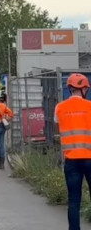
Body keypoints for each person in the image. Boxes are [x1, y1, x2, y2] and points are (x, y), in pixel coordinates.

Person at [54, 73, 91, 230]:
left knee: (74, 201)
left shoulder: (60, 108)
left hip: (71, 161)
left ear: (69, 88)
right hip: (90, 159)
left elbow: (57, 122)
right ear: (84, 89)